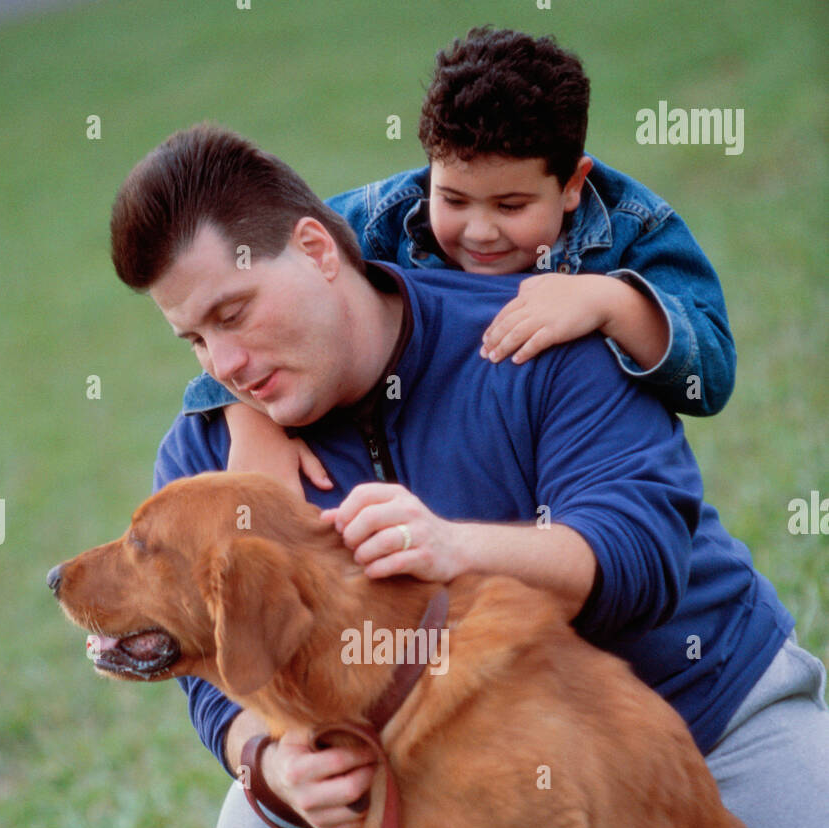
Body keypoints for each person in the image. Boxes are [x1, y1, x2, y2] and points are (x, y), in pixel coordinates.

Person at [108, 123, 829, 828]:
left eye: (234, 313)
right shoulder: (216, 447)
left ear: (319, 250)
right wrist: (260, 752)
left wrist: (456, 545)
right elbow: (207, 661)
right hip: (462, 789)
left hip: (698, 729)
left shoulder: (532, 334)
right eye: (192, 340)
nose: (226, 362)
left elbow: (635, 558)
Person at [181, 27, 736, 497]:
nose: (479, 231)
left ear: (572, 185)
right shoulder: (374, 222)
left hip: (592, 472)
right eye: (453, 200)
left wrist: (610, 301)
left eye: (511, 206)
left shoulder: (631, 226)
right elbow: (246, 311)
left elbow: (709, 376)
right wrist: (252, 423)